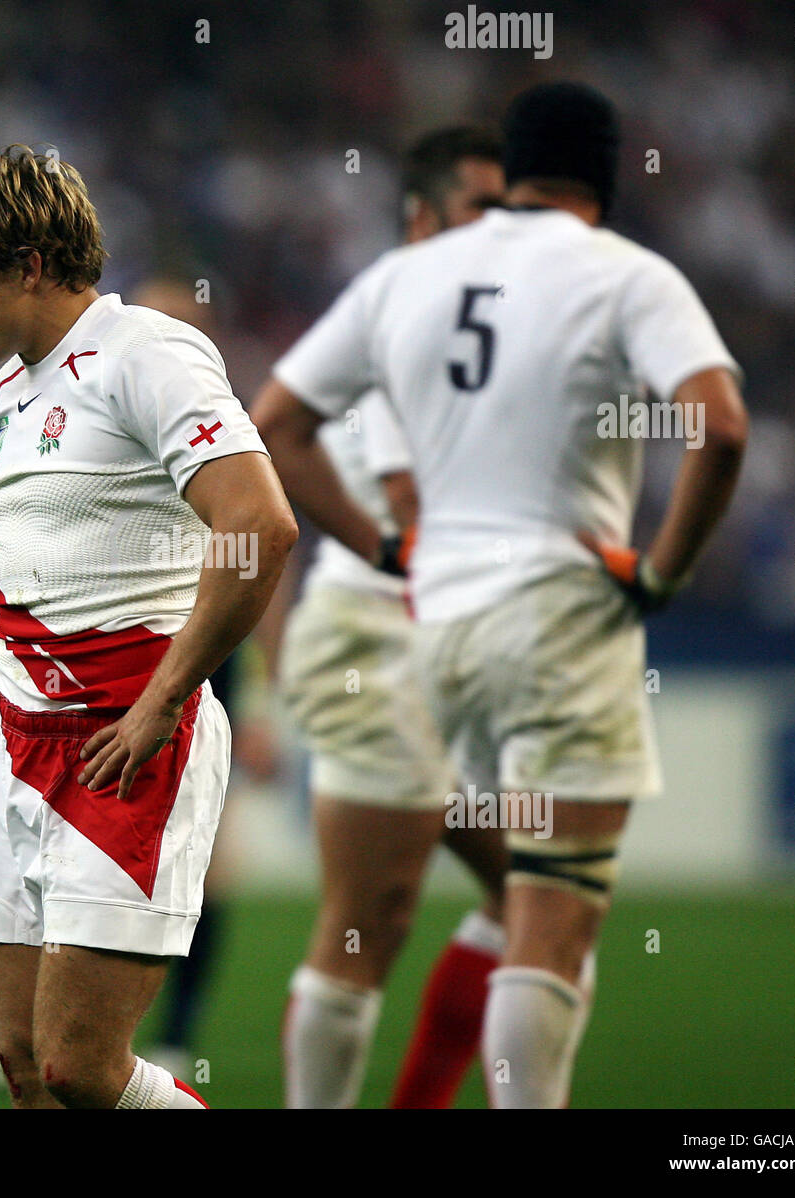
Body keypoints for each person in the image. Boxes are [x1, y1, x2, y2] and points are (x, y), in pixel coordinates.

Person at [253, 82, 747, 1109]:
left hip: (437, 634)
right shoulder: (627, 276)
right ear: (606, 173)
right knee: (551, 908)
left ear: (512, 171)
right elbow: (721, 425)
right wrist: (661, 570)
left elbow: (278, 418)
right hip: (552, 613)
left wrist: (399, 558)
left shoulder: (406, 281)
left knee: (452, 903)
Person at [0, 140, 297, 1109]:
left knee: (80, 1067)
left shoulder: (147, 354)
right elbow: (5, 560)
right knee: (22, 1068)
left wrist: (167, 698)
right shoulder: (3, 392)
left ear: (27, 265)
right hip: (22, 746)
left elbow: (258, 524)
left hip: (125, 743)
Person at [274, 125, 513, 1110]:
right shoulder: (399, 302)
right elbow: (282, 432)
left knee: (537, 890)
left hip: (459, 642)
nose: (500, 233)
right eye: (478, 209)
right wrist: (389, 551)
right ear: (421, 217)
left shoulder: (504, 313)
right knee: (368, 921)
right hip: (378, 634)